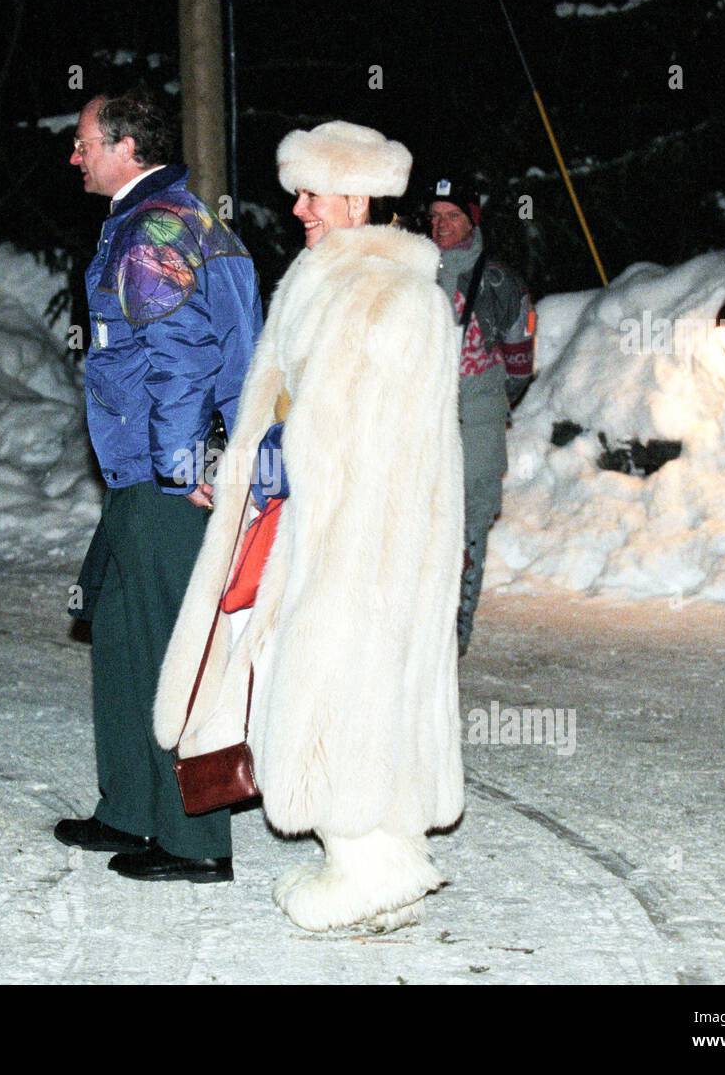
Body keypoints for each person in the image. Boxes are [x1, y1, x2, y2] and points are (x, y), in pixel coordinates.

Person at [153, 121, 465, 931]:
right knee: (348, 685)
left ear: (358, 197)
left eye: (312, 192)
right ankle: (380, 858)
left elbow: (349, 435)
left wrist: (263, 469)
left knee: (341, 686)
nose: (297, 207)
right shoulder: (330, 279)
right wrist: (245, 471)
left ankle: (367, 860)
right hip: (318, 523)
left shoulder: (388, 295)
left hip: (359, 537)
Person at [56, 89, 263, 884]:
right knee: (121, 630)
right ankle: (132, 808)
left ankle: (196, 840)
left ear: (127, 146)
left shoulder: (155, 231)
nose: (74, 155)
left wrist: (181, 465)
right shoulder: (159, 220)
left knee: (181, 655)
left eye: (84, 142)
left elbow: (180, 360)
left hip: (167, 477)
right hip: (143, 471)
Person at [423, 176, 536, 656]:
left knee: (469, 525)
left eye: (451, 215)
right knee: (421, 526)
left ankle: (456, 634)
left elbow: (520, 363)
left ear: (472, 219)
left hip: (479, 420)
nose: (441, 225)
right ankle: (420, 634)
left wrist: (484, 399)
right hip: (420, 421)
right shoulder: (412, 274)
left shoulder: (500, 282)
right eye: (434, 216)